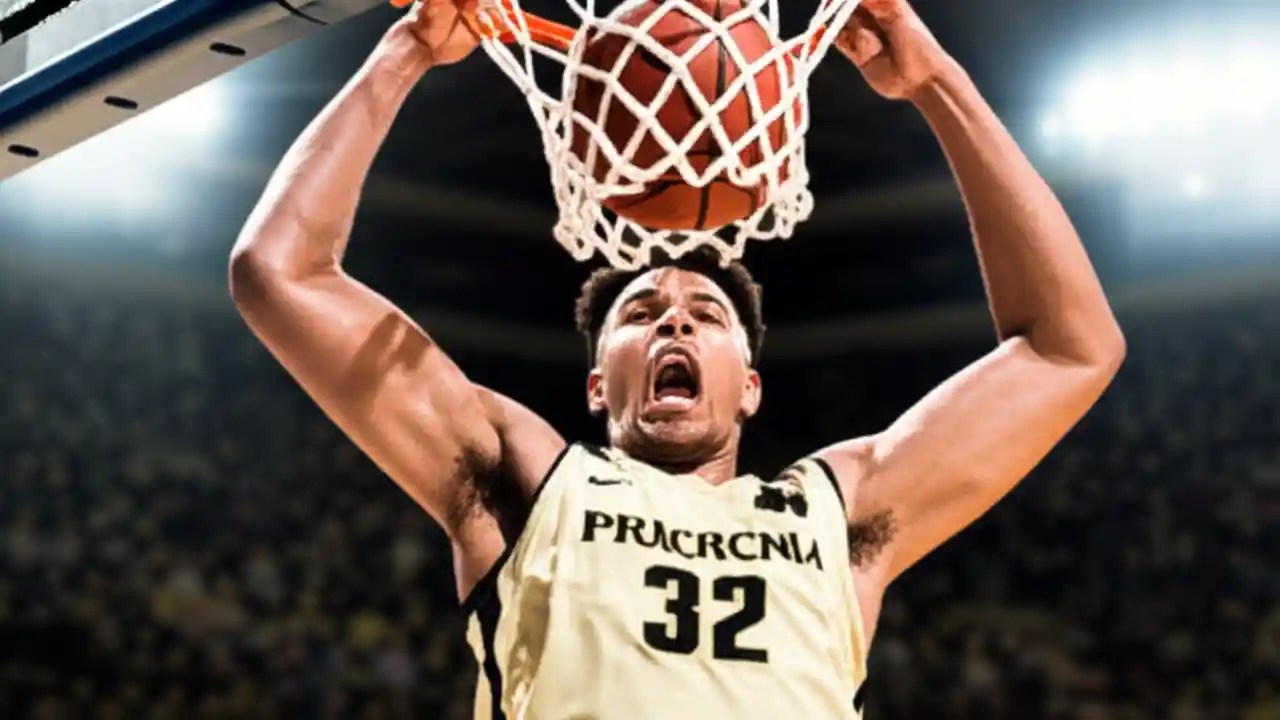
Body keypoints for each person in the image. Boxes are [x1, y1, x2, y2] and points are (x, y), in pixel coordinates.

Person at [228, 0, 1126, 716]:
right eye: (642, 312)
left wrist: (938, 82)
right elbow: (282, 274)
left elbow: (1070, 347)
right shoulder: (531, 483)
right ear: (594, 383)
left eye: (706, 314)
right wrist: (405, 53)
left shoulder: (838, 513)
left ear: (751, 387)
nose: (675, 323)